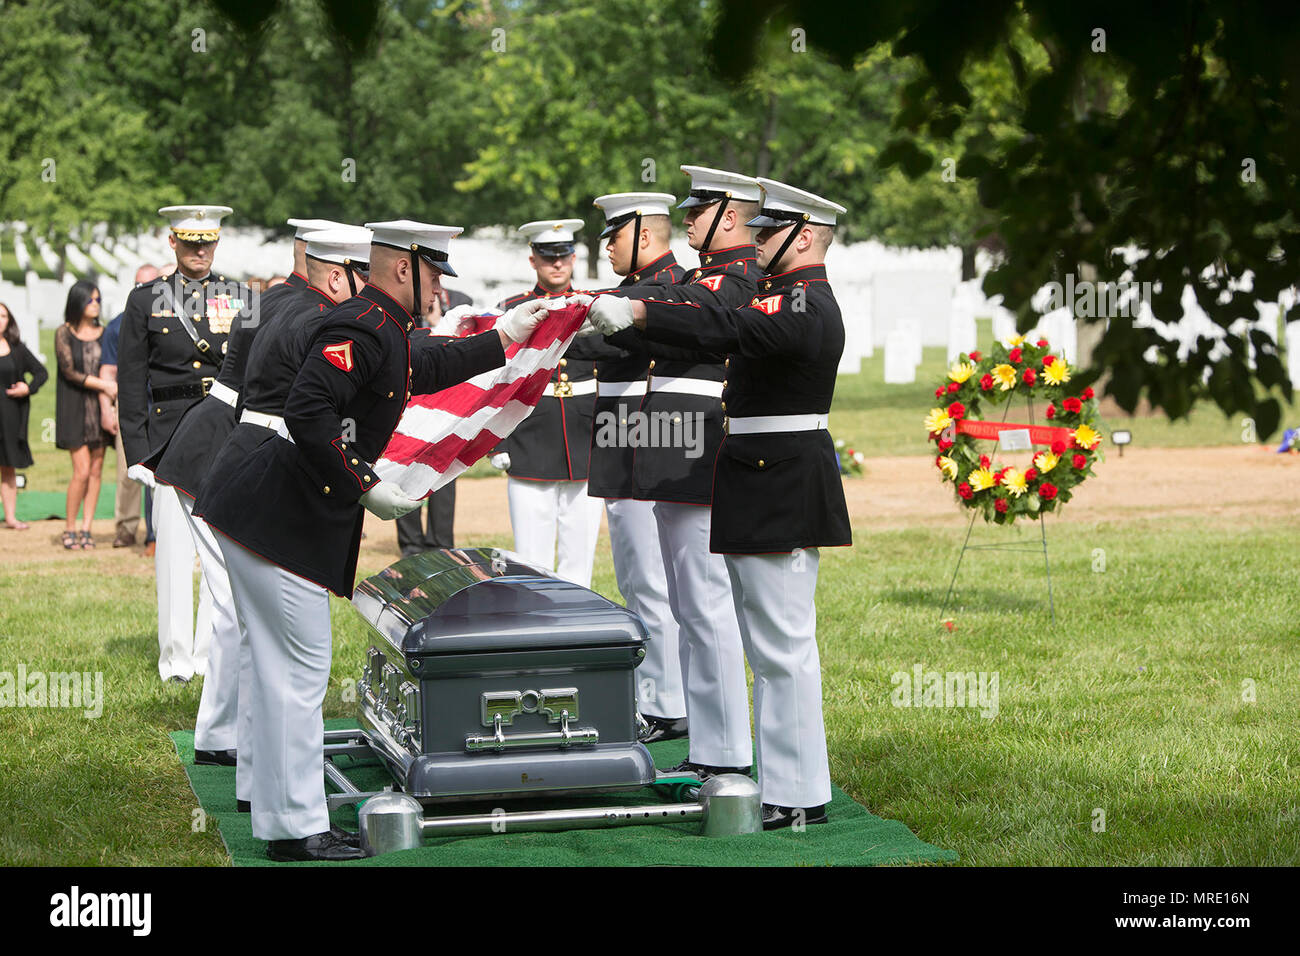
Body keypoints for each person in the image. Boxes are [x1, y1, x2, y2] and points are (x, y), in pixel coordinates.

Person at [198, 220, 550, 861]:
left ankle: (280, 817)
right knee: (299, 674)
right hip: (278, 516)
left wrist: (503, 338)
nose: (441, 286)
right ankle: (297, 828)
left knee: (283, 671)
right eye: (435, 273)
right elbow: (309, 412)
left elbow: (426, 365)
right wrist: (365, 483)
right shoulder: (364, 324)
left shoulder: (380, 324)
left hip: (264, 509)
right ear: (401, 268)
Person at [588, 177, 852, 830]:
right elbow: (716, 328)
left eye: (771, 230)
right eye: (756, 229)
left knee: (783, 649)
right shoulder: (783, 298)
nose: (757, 238)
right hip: (762, 476)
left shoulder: (799, 303)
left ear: (806, 236)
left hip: (781, 480)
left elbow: (722, 322)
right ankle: (787, 785)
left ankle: (795, 795)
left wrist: (642, 312)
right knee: (773, 646)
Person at [592, 166, 763, 778]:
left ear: (732, 216)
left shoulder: (741, 278)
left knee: (704, 604)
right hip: (673, 454)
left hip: (698, 452)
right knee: (692, 604)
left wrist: (634, 309)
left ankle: (726, 756)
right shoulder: (705, 277)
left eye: (701, 210)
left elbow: (702, 312)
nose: (688, 220)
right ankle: (712, 747)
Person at [194, 223, 368, 809]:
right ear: (340, 274)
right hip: (267, 481)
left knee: (259, 648)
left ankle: (257, 783)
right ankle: (291, 813)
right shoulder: (320, 319)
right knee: (294, 661)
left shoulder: (275, 300)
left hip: (235, 466)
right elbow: (310, 414)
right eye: (361, 277)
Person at [118, 205, 238, 683]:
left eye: (207, 242)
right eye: (191, 242)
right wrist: (136, 454)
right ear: (173, 243)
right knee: (171, 552)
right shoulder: (145, 299)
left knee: (219, 553)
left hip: (220, 437)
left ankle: (209, 656)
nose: (200, 251)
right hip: (166, 440)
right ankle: (175, 661)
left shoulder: (237, 296)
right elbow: (130, 382)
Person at [586, 191, 688, 742]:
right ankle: (663, 695)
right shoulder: (635, 292)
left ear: (644, 236)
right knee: (640, 575)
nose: (607, 249)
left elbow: (607, 345)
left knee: (649, 577)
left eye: (615, 237)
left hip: (642, 439)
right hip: (628, 437)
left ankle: (667, 702)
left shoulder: (665, 291)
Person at [491, 219, 605, 585]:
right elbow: (496, 380)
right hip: (530, 437)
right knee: (531, 559)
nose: (557, 263)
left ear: (574, 258)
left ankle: (577, 625)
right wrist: (498, 440)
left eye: (565, 256)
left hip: (583, 435)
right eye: (548, 257)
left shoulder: (594, 305)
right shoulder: (512, 309)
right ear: (533, 261)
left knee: (580, 557)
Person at [394, 283, 474, 557]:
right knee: (402, 472)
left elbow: (463, 349)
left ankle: (440, 544)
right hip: (408, 404)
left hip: (446, 406)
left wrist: (436, 322)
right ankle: (411, 545)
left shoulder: (463, 301)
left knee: (442, 474)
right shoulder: (401, 302)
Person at [54, 280, 116, 550]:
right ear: (77, 302)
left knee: (96, 470)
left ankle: (87, 527)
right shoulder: (63, 333)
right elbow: (69, 372)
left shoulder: (106, 333)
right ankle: (70, 527)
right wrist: (103, 384)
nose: (95, 305)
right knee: (80, 471)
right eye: (90, 300)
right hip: (75, 408)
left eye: (98, 300)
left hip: (100, 409)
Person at [0, 301, 49, 530]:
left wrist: (27, 388)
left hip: (9, 415)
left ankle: (10, 517)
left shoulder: (17, 348)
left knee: (8, 466)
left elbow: (41, 372)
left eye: (2, 316)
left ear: (9, 321)